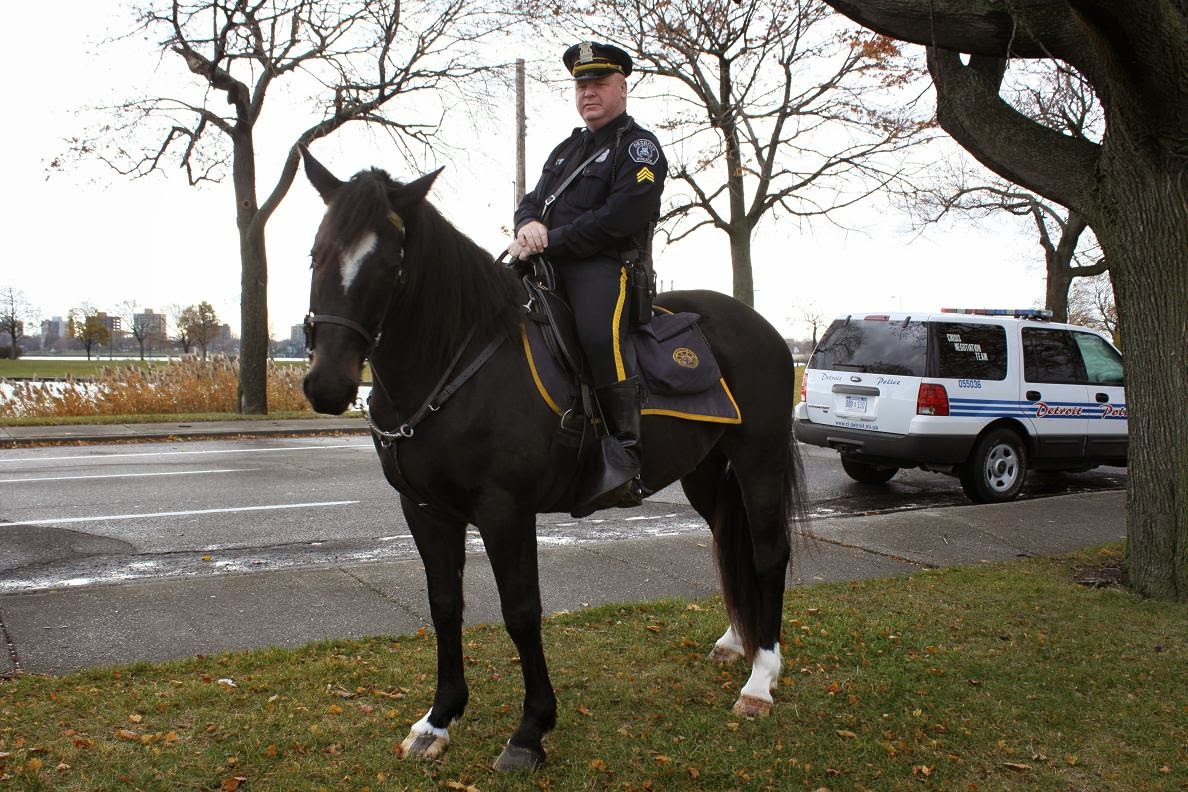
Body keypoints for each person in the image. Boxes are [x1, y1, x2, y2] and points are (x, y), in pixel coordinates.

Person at [509, 40, 667, 512]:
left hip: (606, 266)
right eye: (581, 85)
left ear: (622, 86)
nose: (588, 93)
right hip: (545, 264)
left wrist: (552, 240)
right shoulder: (567, 148)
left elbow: (621, 217)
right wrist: (528, 225)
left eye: (598, 83)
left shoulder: (639, 148)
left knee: (599, 336)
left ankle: (625, 456)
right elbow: (533, 200)